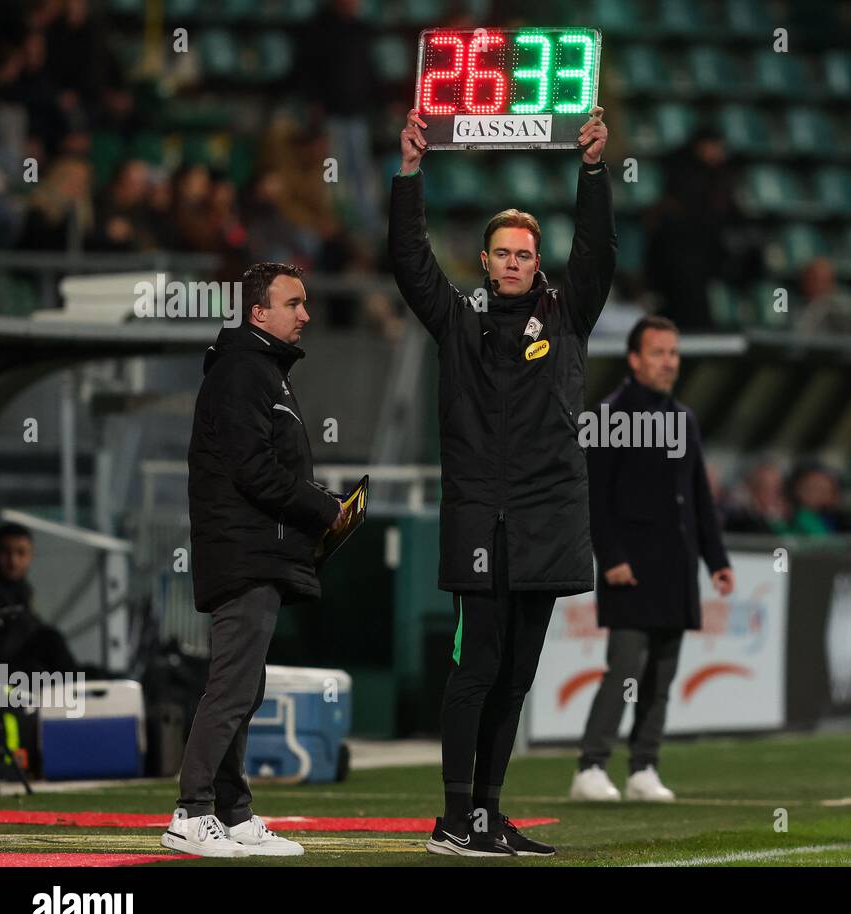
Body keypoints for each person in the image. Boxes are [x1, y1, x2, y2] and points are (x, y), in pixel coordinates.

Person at [389, 106, 614, 856]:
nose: (514, 262)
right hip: (483, 518)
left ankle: (487, 813)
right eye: (502, 253)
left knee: (516, 677)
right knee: (476, 669)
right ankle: (453, 818)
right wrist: (411, 175)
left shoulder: (569, 313)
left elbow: (598, 252)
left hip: (550, 517)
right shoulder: (457, 320)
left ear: (536, 260)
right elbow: (409, 263)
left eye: (524, 252)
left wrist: (591, 170)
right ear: (484, 262)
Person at [162, 262, 346, 859]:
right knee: (232, 687)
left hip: (253, 549)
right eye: (293, 303)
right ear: (257, 312)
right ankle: (190, 813)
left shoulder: (261, 371)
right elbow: (253, 470)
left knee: (245, 687)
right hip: (243, 551)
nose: (306, 314)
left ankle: (234, 813)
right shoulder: (245, 370)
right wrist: (324, 507)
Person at [572, 316, 733, 802]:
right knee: (624, 669)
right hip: (630, 569)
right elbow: (593, 499)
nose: (670, 362)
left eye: (674, 353)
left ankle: (644, 766)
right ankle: (591, 767)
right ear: (635, 360)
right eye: (659, 353)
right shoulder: (609, 416)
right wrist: (612, 557)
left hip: (676, 568)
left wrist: (716, 559)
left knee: (662, 676)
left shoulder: (683, 419)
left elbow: (698, 497)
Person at [0, 523, 79, 676]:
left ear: (30, 555)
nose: (13, 561)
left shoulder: (24, 591)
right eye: (6, 552)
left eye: (20, 553)